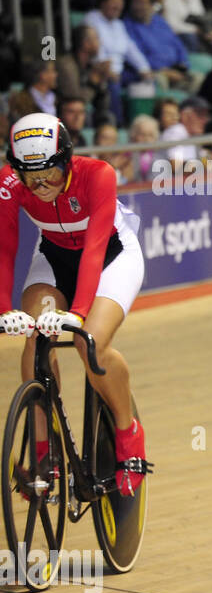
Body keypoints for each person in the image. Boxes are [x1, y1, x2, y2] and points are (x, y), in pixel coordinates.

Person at [0, 114, 149, 496]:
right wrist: (4, 309)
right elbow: (3, 247)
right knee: (35, 334)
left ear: (66, 160)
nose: (40, 184)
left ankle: (127, 428)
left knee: (88, 342)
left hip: (112, 258)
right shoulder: (9, 183)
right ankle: (43, 449)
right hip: (53, 256)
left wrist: (77, 314)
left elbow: (96, 248)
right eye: (29, 175)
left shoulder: (97, 174)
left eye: (48, 171)